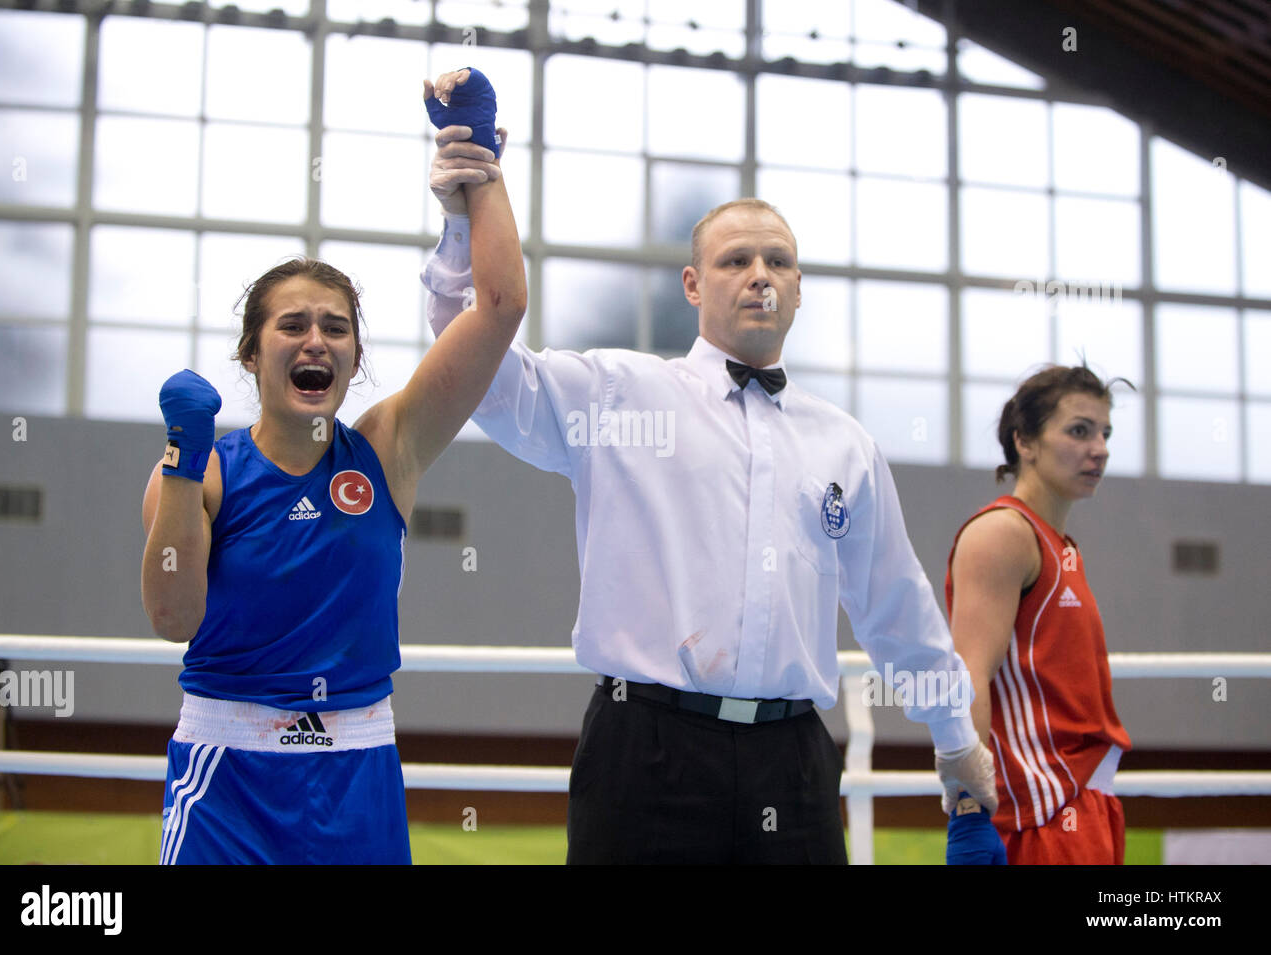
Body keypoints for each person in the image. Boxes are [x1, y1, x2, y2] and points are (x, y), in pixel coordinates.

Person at [423, 105, 997, 864]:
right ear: (693, 284)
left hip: (791, 765)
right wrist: (467, 224)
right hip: (644, 755)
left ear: (799, 288)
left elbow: (897, 608)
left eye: (778, 261)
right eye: (735, 261)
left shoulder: (846, 445)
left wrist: (955, 738)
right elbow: (483, 373)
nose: (760, 274)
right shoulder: (618, 395)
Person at [141, 69, 524, 864]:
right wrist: (180, 458)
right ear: (252, 354)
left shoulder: (389, 446)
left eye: (336, 327)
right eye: (292, 324)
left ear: (354, 357)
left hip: (358, 770)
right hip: (228, 775)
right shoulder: (205, 468)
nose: (316, 339)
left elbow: (500, 308)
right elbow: (173, 617)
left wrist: (480, 165)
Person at [945, 365, 1134, 864]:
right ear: (1024, 442)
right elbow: (968, 675)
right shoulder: (1003, 534)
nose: (1100, 448)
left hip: (1084, 803)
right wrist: (969, 811)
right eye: (1079, 430)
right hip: (1039, 817)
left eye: (1105, 432)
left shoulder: (1060, 546)